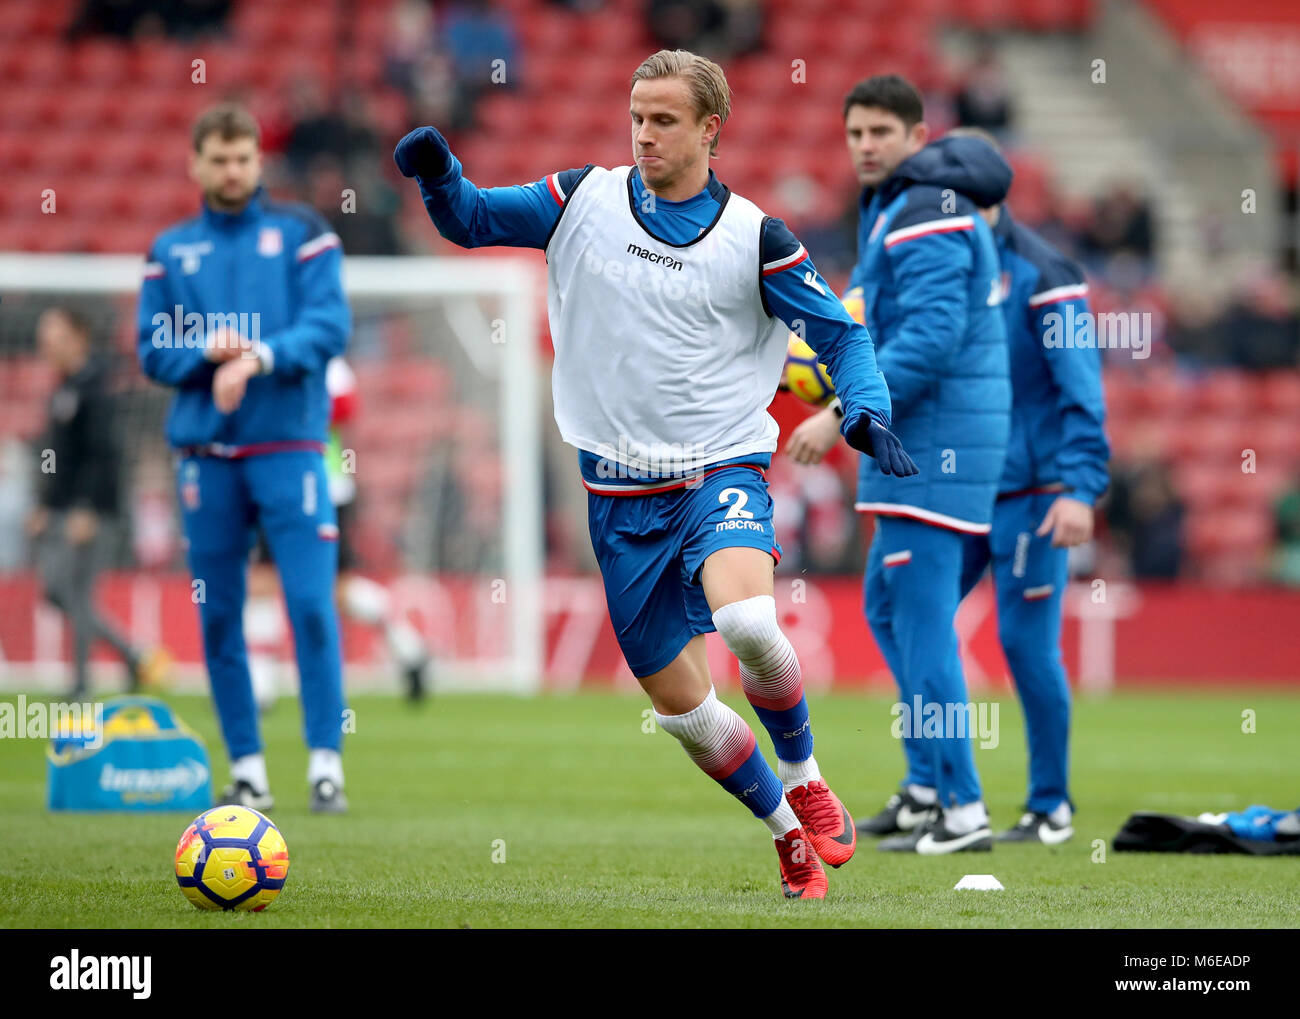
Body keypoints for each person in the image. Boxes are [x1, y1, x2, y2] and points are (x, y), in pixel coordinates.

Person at [394, 48, 916, 898]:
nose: (644, 135)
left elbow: (842, 335)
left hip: (720, 469)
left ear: (712, 129)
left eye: (664, 120)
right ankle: (785, 833)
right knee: (687, 713)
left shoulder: (756, 236)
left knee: (747, 620)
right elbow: (473, 221)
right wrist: (439, 172)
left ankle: (807, 774)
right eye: (637, 117)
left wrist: (864, 408)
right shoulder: (581, 199)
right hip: (618, 495)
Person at [786, 75, 1012, 854]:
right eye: (855, 134)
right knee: (888, 609)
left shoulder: (928, 210)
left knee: (920, 623)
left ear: (919, 138)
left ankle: (965, 810)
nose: (866, 146)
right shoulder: (899, 208)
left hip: (937, 449)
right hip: (917, 445)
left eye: (882, 132)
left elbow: (932, 337)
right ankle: (924, 788)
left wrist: (837, 407)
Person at [136, 103, 351, 813]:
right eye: (218, 159)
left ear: (259, 161)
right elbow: (151, 350)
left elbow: (328, 326)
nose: (232, 171)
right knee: (219, 615)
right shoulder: (170, 251)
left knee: (311, 605)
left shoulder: (302, 235)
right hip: (207, 455)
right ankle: (249, 770)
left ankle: (325, 764)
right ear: (196, 165)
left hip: (289, 448)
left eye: (242, 158)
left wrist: (258, 356)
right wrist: (205, 353)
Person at [28, 306, 170, 697]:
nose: (44, 342)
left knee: (73, 593)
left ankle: (82, 684)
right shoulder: (65, 387)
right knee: (61, 591)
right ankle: (133, 657)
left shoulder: (97, 386)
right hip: (64, 508)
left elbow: (104, 452)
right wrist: (45, 501)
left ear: (77, 336)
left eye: (52, 333)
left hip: (92, 511)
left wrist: (87, 507)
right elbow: (54, 454)